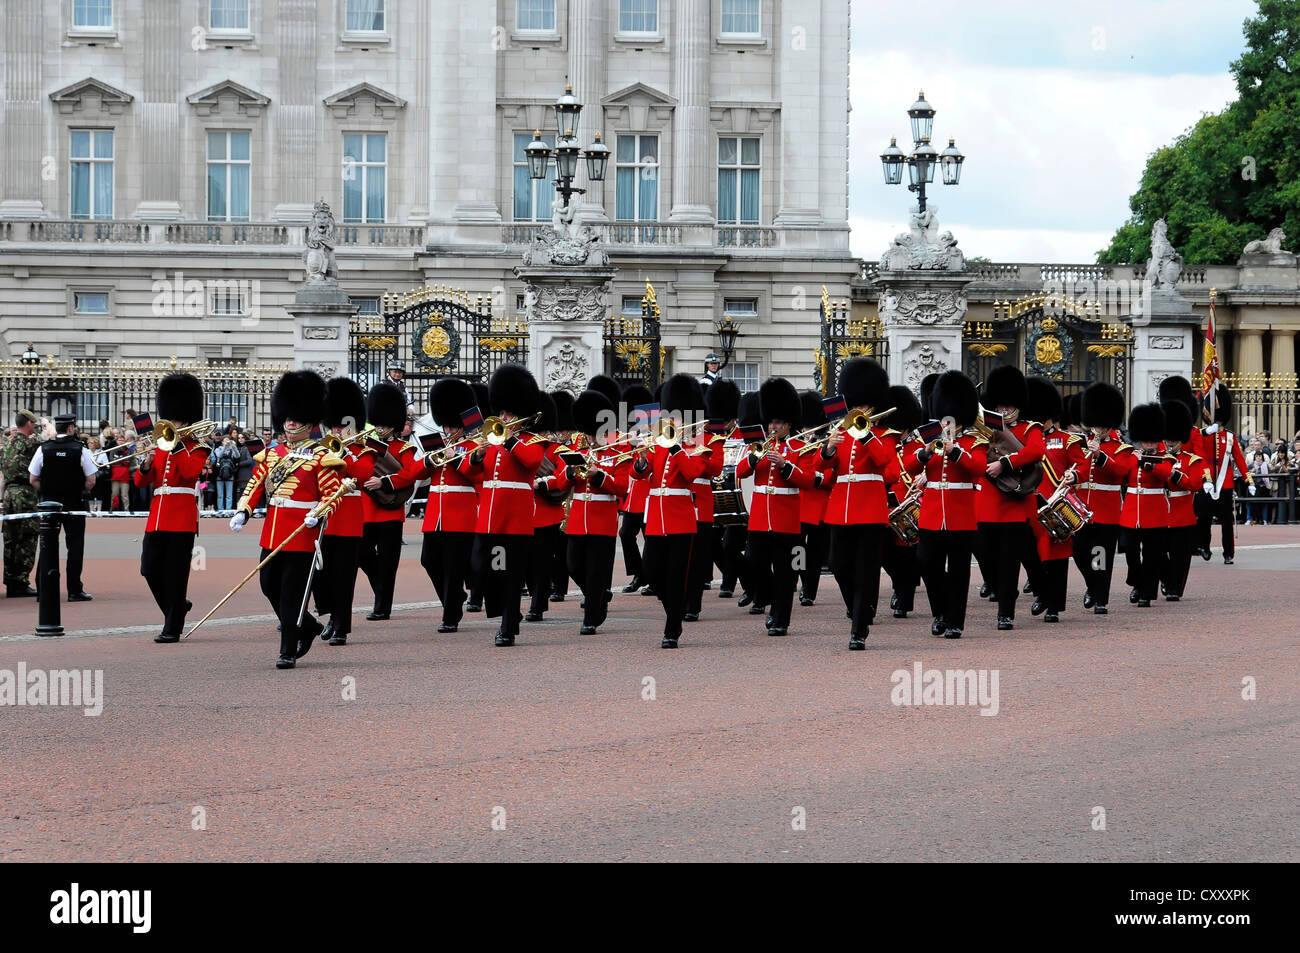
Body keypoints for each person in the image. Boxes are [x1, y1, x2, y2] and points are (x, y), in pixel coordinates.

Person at [229, 370, 346, 669]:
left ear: (309, 420)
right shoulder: (271, 455)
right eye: (288, 417)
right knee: (269, 585)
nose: (290, 422)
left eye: (296, 417)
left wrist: (316, 514)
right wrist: (244, 509)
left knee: (292, 593)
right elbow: (255, 484)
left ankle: (288, 649)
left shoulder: (322, 456)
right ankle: (306, 626)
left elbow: (333, 494)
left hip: (300, 534)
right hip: (272, 532)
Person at [460, 363, 546, 646]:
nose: (503, 416)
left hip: (515, 518)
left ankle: (507, 626)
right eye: (502, 412)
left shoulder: (532, 441)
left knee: (510, 575)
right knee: (481, 567)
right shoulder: (490, 441)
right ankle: (508, 614)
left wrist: (509, 442)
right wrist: (476, 455)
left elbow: (532, 462)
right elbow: (471, 471)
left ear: (520, 416)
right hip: (489, 517)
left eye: (508, 413)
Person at [736, 377, 823, 638]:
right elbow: (740, 472)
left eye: (778, 422)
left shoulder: (801, 448)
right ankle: (770, 598)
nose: (773, 426)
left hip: (788, 519)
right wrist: (753, 458)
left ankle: (780, 619)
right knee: (754, 563)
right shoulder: (760, 447)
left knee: (787, 572)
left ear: (788, 423)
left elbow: (808, 480)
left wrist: (785, 465)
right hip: (761, 518)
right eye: (771, 421)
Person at [904, 371, 987, 639]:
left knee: (959, 570)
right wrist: (925, 452)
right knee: (927, 563)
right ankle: (939, 612)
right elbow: (907, 466)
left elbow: (978, 468)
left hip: (960, 513)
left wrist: (956, 451)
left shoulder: (974, 441)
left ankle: (955, 621)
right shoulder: (927, 437)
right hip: (931, 512)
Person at [630, 374, 710, 648]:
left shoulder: (696, 447)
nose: (671, 421)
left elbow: (691, 474)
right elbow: (639, 474)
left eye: (676, 417)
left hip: (681, 519)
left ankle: (671, 628)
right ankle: (674, 615)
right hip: (656, 519)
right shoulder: (659, 444)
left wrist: (677, 447)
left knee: (676, 577)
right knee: (652, 573)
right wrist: (640, 458)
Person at [820, 358, 894, 649]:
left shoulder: (881, 435)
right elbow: (823, 466)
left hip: (870, 509)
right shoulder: (841, 432)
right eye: (856, 405)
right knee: (839, 565)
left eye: (863, 406)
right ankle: (859, 608)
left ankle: (859, 629)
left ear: (872, 406)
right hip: (840, 509)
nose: (858, 410)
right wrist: (828, 447)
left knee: (866, 570)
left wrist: (864, 435)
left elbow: (885, 461)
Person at [135, 373, 210, 643]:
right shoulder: (160, 444)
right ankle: (177, 607)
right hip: (157, 515)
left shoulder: (197, 446)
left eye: (176, 418)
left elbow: (190, 472)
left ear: (186, 418)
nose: (172, 423)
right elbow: (143, 481)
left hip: (181, 516)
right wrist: (145, 463)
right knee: (149, 569)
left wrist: (176, 445)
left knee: (176, 574)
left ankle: (172, 627)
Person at [551, 389, 629, 634]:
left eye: (591, 432)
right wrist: (569, 473)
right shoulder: (579, 452)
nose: (588, 437)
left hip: (602, 520)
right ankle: (600, 595)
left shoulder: (617, 452)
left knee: (596, 571)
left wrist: (600, 476)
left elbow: (622, 487)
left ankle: (591, 617)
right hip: (577, 519)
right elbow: (559, 481)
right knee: (573, 565)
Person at [976, 365, 1046, 631]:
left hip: (1015, 504)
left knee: (1009, 561)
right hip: (988, 503)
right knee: (985, 554)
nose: (1004, 411)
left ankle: (1006, 611)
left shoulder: (1030, 428)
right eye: (1000, 407)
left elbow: (1036, 451)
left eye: (1008, 407)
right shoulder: (984, 428)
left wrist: (1005, 464)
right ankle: (1002, 591)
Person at [312, 377, 377, 646]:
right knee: (320, 574)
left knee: (344, 576)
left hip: (348, 519)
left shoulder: (364, 451)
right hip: (325, 517)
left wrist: (344, 453)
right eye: (335, 425)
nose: (338, 430)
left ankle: (341, 626)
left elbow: (363, 474)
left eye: (343, 426)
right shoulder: (320, 448)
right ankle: (329, 615)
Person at [418, 377, 479, 634]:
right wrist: (426, 461)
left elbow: (478, 476)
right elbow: (416, 475)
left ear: (462, 425)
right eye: (445, 425)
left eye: (452, 426)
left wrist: (455, 459)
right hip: (435, 514)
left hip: (461, 513)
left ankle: (450, 616)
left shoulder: (474, 446)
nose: (447, 429)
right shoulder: (439, 445)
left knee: (454, 566)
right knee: (429, 561)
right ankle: (454, 601)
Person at [1024, 377, 1087, 624]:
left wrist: (1074, 474)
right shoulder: (1026, 438)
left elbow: (1081, 464)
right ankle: (1041, 592)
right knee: (1030, 555)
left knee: (1057, 558)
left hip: (1055, 505)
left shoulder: (1068, 439)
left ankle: (1053, 605)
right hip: (1029, 504)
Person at [358, 382, 423, 621]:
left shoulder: (403, 448)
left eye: (384, 424)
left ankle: (382, 607)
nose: (380, 428)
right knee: (361, 554)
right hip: (366, 512)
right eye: (378, 423)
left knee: (388, 563)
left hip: (390, 514)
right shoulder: (365, 446)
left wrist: (384, 482)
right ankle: (382, 590)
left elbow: (410, 474)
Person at [1072, 383, 1132, 615]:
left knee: (1101, 556)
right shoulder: (1079, 444)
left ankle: (1100, 599)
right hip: (1082, 508)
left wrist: (1101, 456)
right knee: (1079, 552)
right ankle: (1092, 585)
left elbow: (1120, 472)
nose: (1098, 428)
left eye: (1102, 425)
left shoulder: (1121, 448)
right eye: (1096, 424)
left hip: (1106, 510)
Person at [28, 413, 98, 602]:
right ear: (70, 428)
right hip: (74, 504)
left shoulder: (44, 449)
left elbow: (33, 478)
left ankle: (43, 589)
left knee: (47, 545)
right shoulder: (81, 449)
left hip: (50, 505)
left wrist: (47, 492)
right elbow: (91, 480)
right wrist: (78, 489)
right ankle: (74, 589)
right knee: (75, 545)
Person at [683, 379, 736, 621]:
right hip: (676, 506)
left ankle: (692, 605)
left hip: (701, 505)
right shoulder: (672, 439)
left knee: (697, 560)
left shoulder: (712, 441)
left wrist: (699, 451)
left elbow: (715, 468)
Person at [1120, 403, 1174, 607]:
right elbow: (1121, 473)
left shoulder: (1164, 457)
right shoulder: (1132, 455)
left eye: (1152, 441)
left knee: (1152, 556)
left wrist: (1150, 465)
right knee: (1130, 552)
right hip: (1132, 512)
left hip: (1155, 513)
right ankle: (1136, 581)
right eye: (1145, 441)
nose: (1149, 444)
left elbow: (1167, 474)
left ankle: (1146, 593)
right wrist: (1134, 460)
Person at [1197, 382, 1253, 564]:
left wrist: (1248, 480)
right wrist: (1206, 477)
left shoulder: (1229, 436)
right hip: (1206, 482)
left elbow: (1239, 459)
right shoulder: (1201, 435)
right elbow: (1198, 456)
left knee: (1226, 523)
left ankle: (1228, 553)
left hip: (1225, 483)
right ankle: (1204, 546)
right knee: (1204, 519)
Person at [1162, 400, 1207, 601]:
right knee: (1157, 552)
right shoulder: (1156, 456)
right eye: (1168, 438)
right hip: (1159, 510)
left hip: (1181, 510)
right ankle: (1165, 578)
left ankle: (1175, 587)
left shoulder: (1191, 458)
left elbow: (1195, 481)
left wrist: (1176, 475)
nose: (1170, 442)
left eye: (1173, 439)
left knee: (1180, 555)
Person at [1, 409, 41, 597]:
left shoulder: (6, 445)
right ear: (29, 423)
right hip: (24, 493)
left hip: (9, 493)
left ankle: (10, 581)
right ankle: (21, 581)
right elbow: (49, 440)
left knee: (10, 540)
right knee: (27, 539)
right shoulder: (30, 443)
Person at [212, 436, 240, 512]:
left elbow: (237, 456)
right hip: (220, 474)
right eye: (225, 441)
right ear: (222, 442)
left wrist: (234, 447)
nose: (227, 442)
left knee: (229, 495)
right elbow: (219, 455)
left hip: (230, 474)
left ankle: (228, 510)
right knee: (220, 495)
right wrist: (224, 447)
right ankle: (221, 510)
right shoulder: (218, 449)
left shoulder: (232, 449)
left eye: (228, 440)